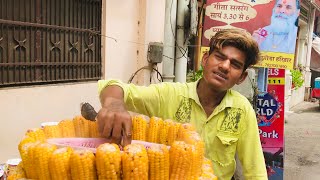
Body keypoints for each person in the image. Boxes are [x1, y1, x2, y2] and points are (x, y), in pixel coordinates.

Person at [97, 29, 267, 179]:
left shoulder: (242, 109)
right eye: (219, 57)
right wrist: (114, 104)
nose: (224, 66)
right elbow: (112, 86)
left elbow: (255, 171)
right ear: (205, 59)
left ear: (242, 77)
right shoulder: (170, 95)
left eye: (235, 64)